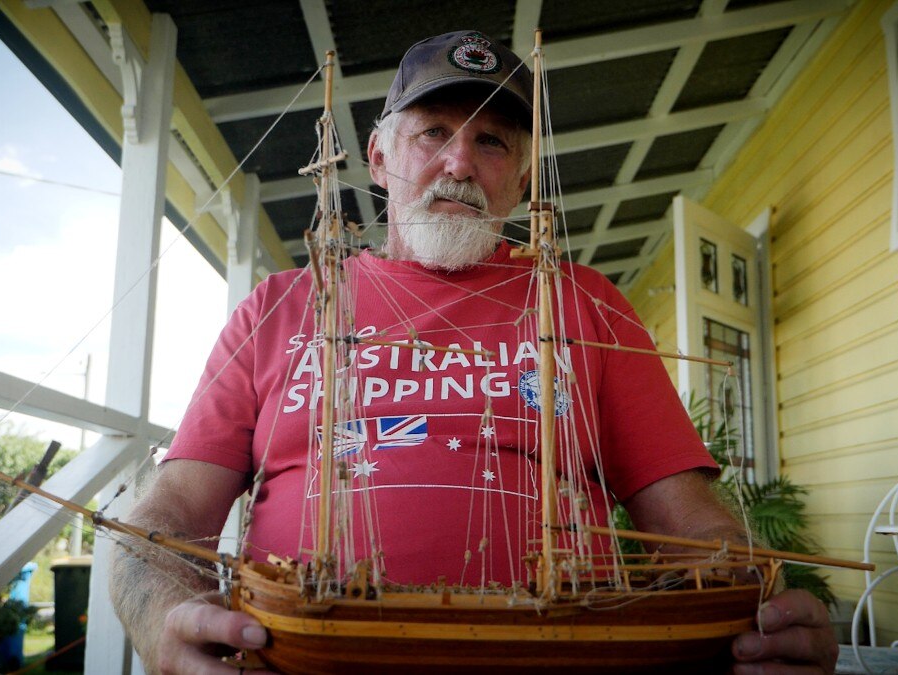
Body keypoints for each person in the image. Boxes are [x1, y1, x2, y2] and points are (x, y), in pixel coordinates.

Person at [111, 30, 838, 674]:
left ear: (522, 179)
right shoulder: (279, 306)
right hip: (307, 655)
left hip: (558, 654)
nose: (459, 161)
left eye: (493, 141)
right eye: (433, 132)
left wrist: (759, 606)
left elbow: (693, 525)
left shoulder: (582, 302)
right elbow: (168, 513)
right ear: (378, 158)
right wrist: (161, 617)